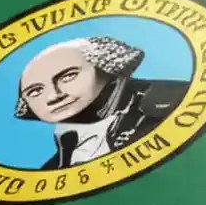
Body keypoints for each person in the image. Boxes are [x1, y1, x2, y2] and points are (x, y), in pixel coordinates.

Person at [15, 36, 188, 169]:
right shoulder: (51, 173)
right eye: (35, 91)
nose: (54, 96)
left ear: (107, 68)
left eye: (68, 76)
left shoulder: (177, 102)